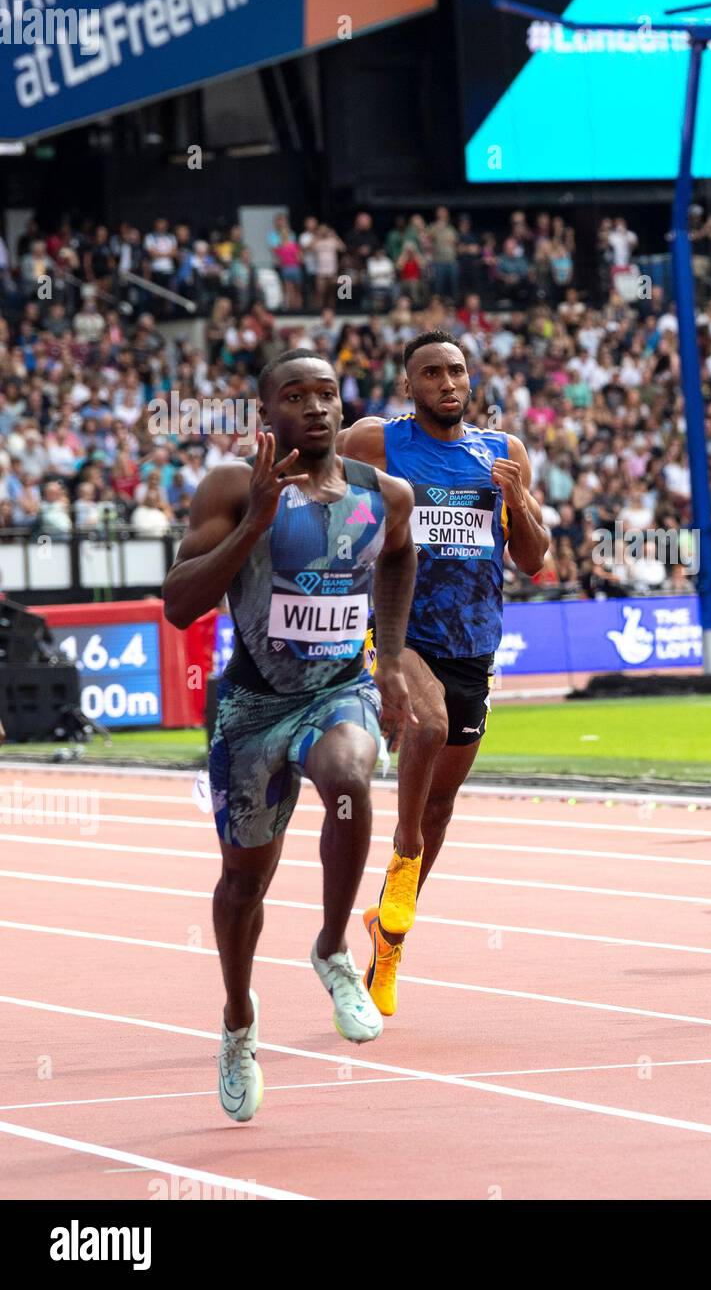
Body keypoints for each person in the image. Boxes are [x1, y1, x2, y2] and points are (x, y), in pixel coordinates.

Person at [163, 348, 418, 1123]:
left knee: (349, 779)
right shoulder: (235, 487)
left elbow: (398, 561)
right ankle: (238, 1020)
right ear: (267, 414)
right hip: (251, 707)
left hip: (338, 691)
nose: (314, 408)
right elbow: (180, 603)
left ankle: (334, 948)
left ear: (343, 407)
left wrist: (393, 659)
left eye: (327, 394)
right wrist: (256, 527)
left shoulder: (386, 494)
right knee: (245, 883)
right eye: (294, 396)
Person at [337, 330, 549, 1017]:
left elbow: (533, 558)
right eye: (431, 373)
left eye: (456, 370)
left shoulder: (502, 451)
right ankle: (402, 852)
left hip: (474, 642)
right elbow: (313, 478)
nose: (448, 382)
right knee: (425, 725)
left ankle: (389, 939)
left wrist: (518, 499)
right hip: (401, 630)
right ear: (410, 386)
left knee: (441, 801)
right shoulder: (377, 440)